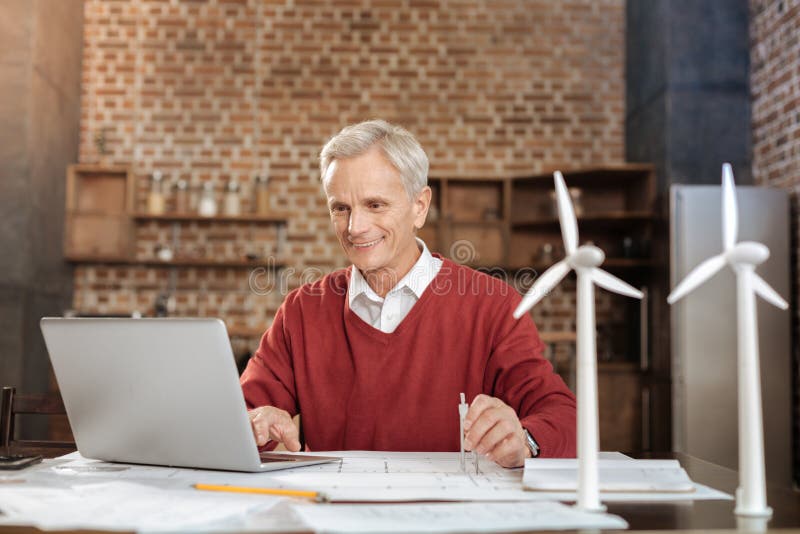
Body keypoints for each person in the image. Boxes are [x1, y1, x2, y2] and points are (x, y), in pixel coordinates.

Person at [240, 119, 576, 467]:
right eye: (340, 208)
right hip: (336, 514)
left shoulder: (493, 306)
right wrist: (255, 423)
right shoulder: (302, 310)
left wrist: (525, 439)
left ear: (420, 206)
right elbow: (237, 414)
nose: (355, 228)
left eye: (375, 205)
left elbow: (563, 415)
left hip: (451, 516)